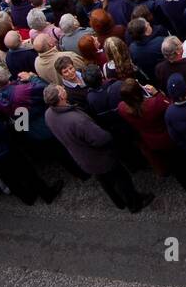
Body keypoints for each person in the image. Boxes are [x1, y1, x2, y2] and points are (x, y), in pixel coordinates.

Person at [44, 84, 152, 212]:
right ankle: (134, 203)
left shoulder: (49, 114)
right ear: (61, 96)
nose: (63, 88)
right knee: (122, 179)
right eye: (61, 89)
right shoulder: (77, 120)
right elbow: (101, 138)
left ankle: (118, 202)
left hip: (83, 158)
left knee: (104, 180)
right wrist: (110, 136)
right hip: (100, 157)